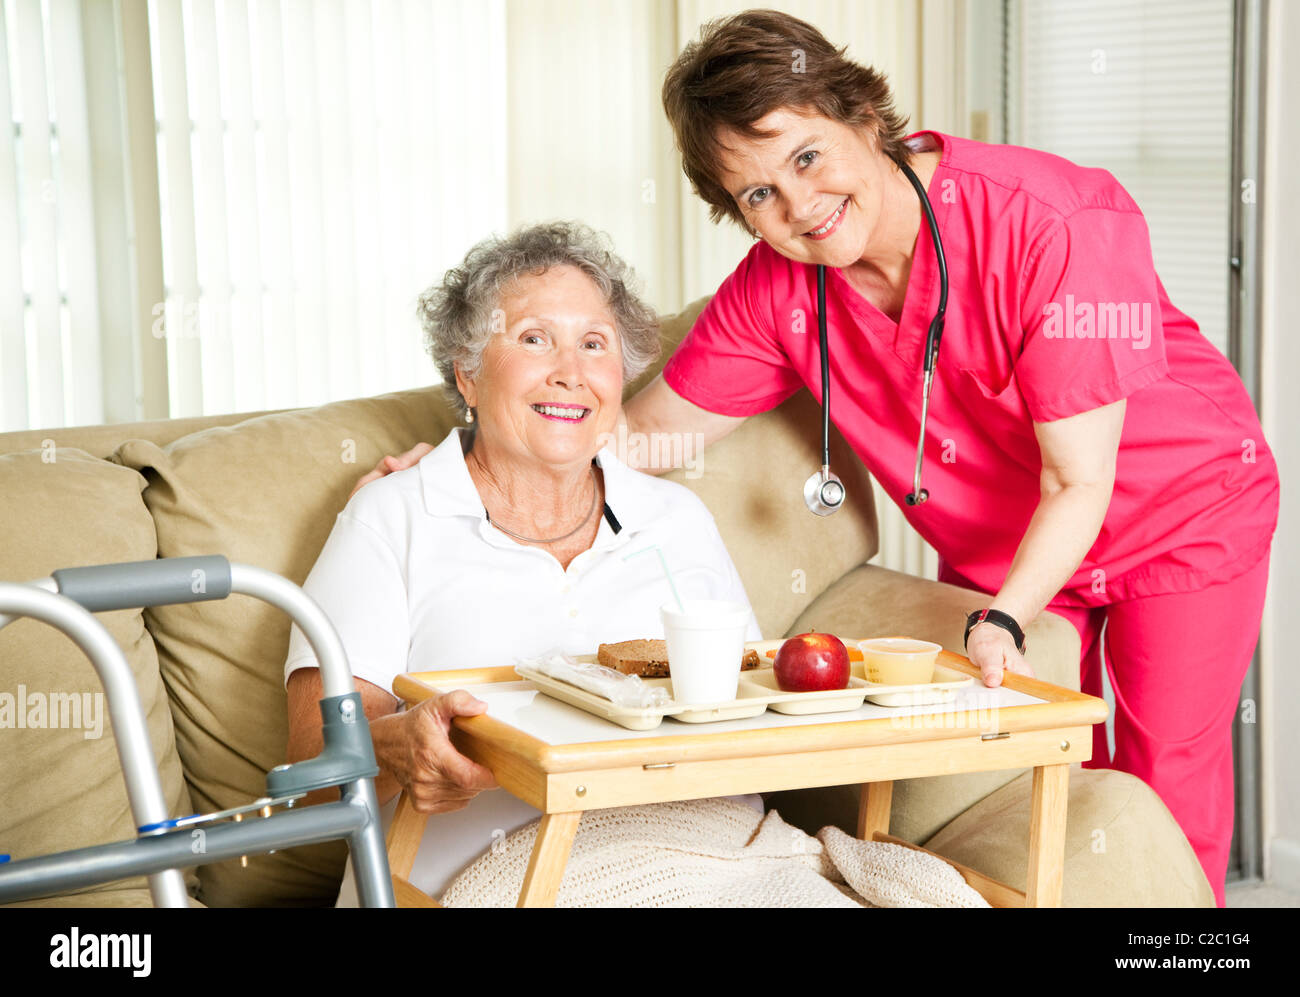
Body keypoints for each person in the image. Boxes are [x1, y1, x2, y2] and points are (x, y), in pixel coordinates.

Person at [357, 11, 1278, 908]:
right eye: (757, 194)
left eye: (806, 157)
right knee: (1024, 767)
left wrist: (1000, 616)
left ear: (864, 118)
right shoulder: (775, 291)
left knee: (1161, 770)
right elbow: (635, 435)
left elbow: (1080, 479)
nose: (799, 207)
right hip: (1004, 536)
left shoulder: (1053, 222)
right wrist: (470, 455)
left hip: (1178, 510)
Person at [283, 221, 764, 906]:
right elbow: (312, 763)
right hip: (485, 878)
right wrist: (397, 747)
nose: (570, 371)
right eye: (535, 338)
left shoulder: (676, 519)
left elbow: (759, 714)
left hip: (707, 864)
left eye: (593, 344)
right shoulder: (392, 515)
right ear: (467, 373)